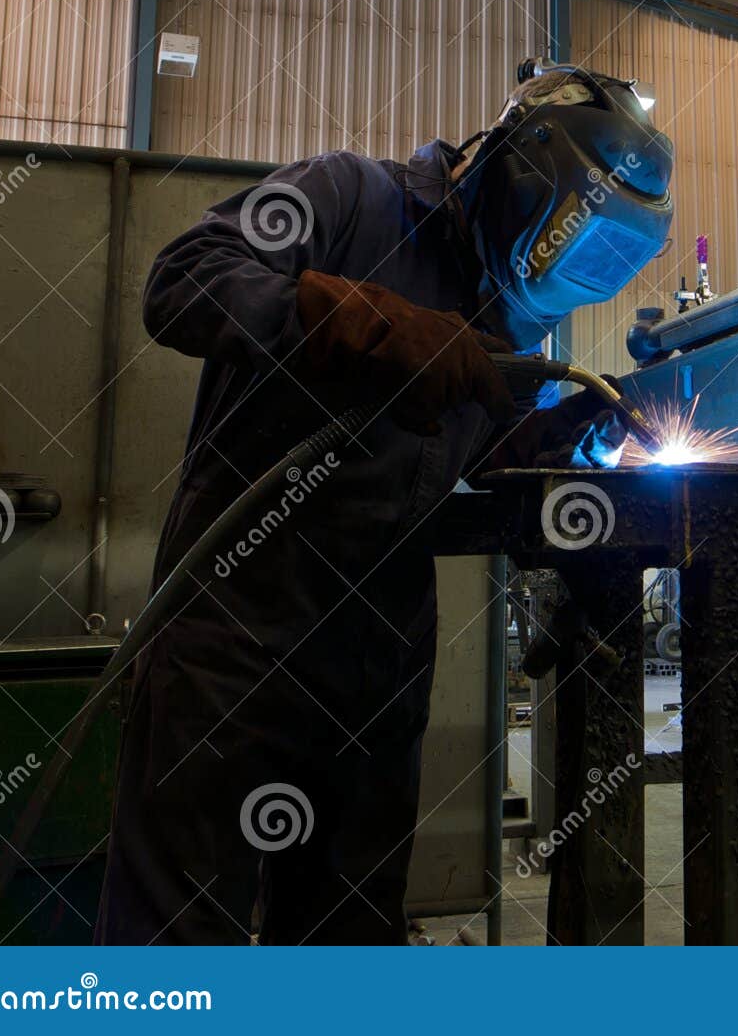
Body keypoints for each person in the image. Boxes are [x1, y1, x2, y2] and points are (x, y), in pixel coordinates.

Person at [95, 63, 674, 944]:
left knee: (350, 941)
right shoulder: (347, 196)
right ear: (521, 177)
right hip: (232, 652)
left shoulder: (501, 318)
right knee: (176, 940)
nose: (567, 283)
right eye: (571, 244)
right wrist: (352, 320)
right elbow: (183, 279)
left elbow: (473, 455)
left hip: (376, 678)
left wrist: (556, 438)